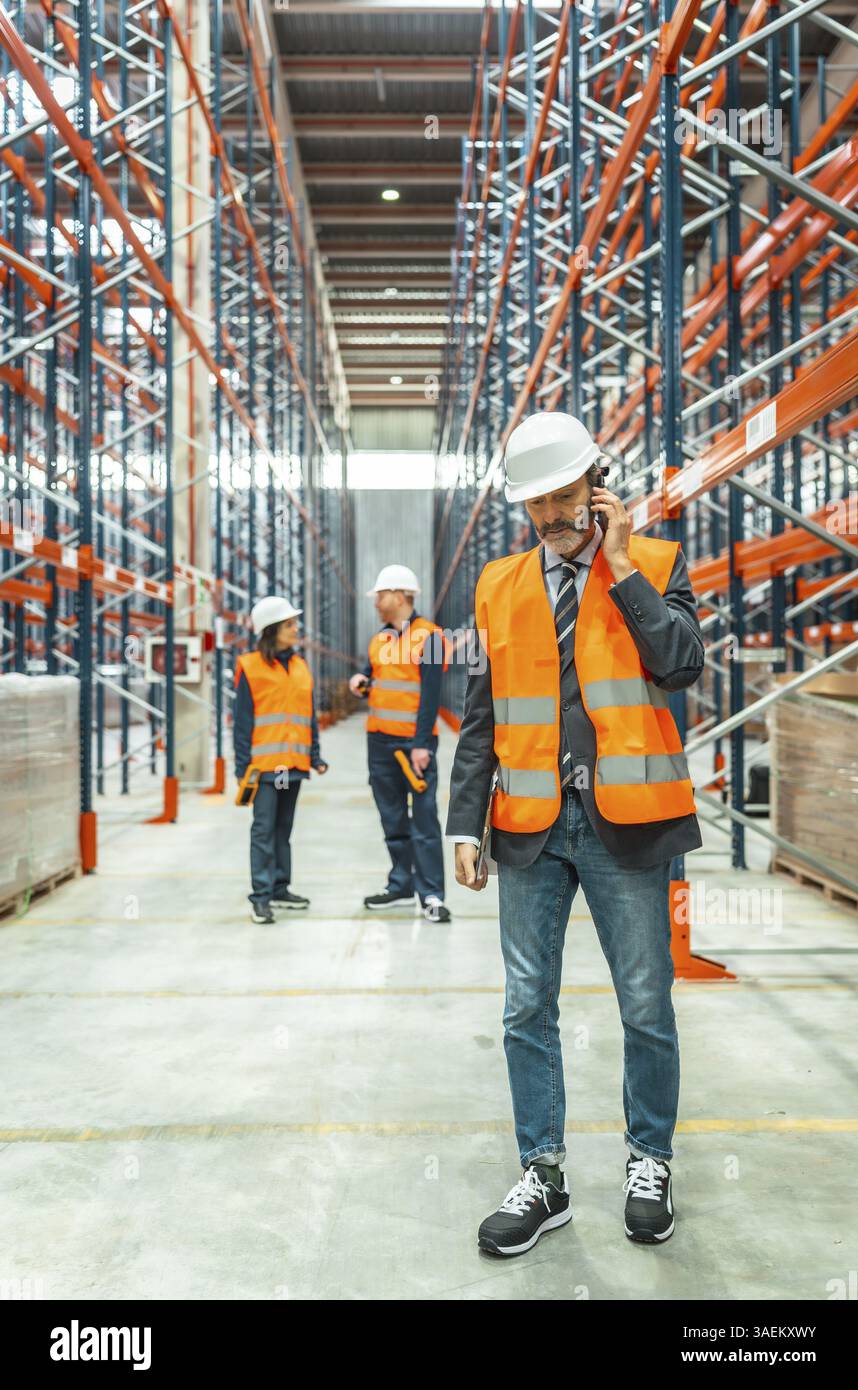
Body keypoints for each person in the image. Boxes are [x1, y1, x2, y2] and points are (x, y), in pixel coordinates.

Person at [445, 411, 705, 1255]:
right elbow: (482, 719)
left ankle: (649, 1160)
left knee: (644, 1003)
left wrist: (623, 565)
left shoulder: (658, 564)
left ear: (596, 485)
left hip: (628, 828)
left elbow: (680, 663)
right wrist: (462, 823)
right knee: (526, 1007)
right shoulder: (497, 584)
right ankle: (544, 1174)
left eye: (564, 498)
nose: (552, 518)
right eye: (536, 505)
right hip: (528, 828)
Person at [348, 564, 451, 924]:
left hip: (414, 746)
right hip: (379, 744)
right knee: (392, 818)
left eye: (380, 595)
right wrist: (361, 679)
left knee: (423, 820)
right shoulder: (379, 640)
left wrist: (422, 743)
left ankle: (432, 894)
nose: (376, 602)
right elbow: (372, 674)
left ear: (399, 595)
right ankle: (402, 883)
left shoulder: (432, 638)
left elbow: (430, 697)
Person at [234, 595, 328, 925]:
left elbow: (308, 715)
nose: (296, 629)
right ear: (272, 629)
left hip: (294, 767)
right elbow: (243, 721)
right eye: (289, 624)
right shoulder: (250, 666)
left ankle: (279, 887)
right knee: (263, 829)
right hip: (264, 768)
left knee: (283, 829)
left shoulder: (300, 666)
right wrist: (242, 767)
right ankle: (260, 897)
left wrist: (315, 755)